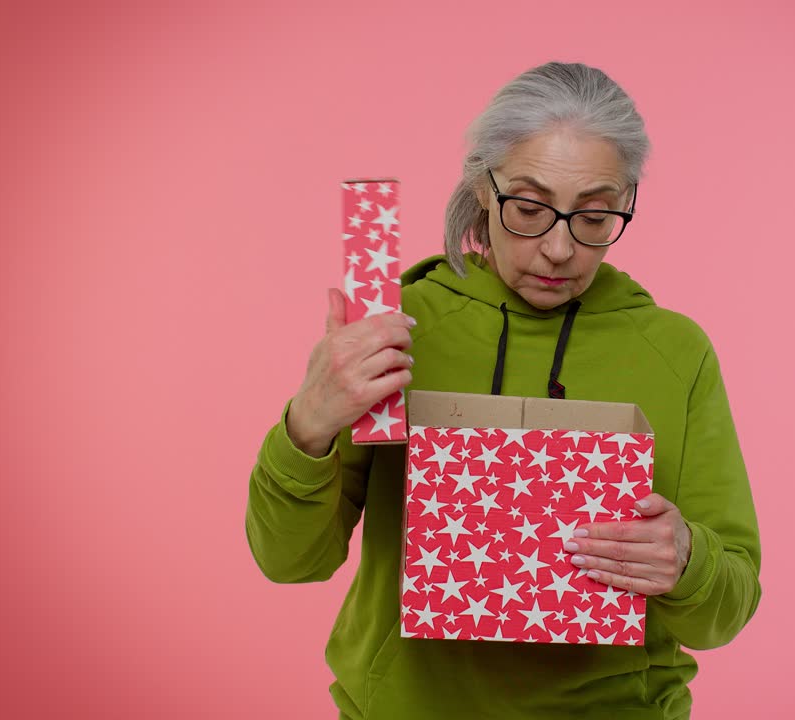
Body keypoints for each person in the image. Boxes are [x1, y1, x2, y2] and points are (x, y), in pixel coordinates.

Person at [246, 61, 761, 719]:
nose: (558, 249)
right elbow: (290, 561)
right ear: (482, 188)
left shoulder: (676, 352)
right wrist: (308, 423)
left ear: (627, 201)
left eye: (596, 217)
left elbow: (727, 610)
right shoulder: (397, 327)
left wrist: (687, 559)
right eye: (528, 208)